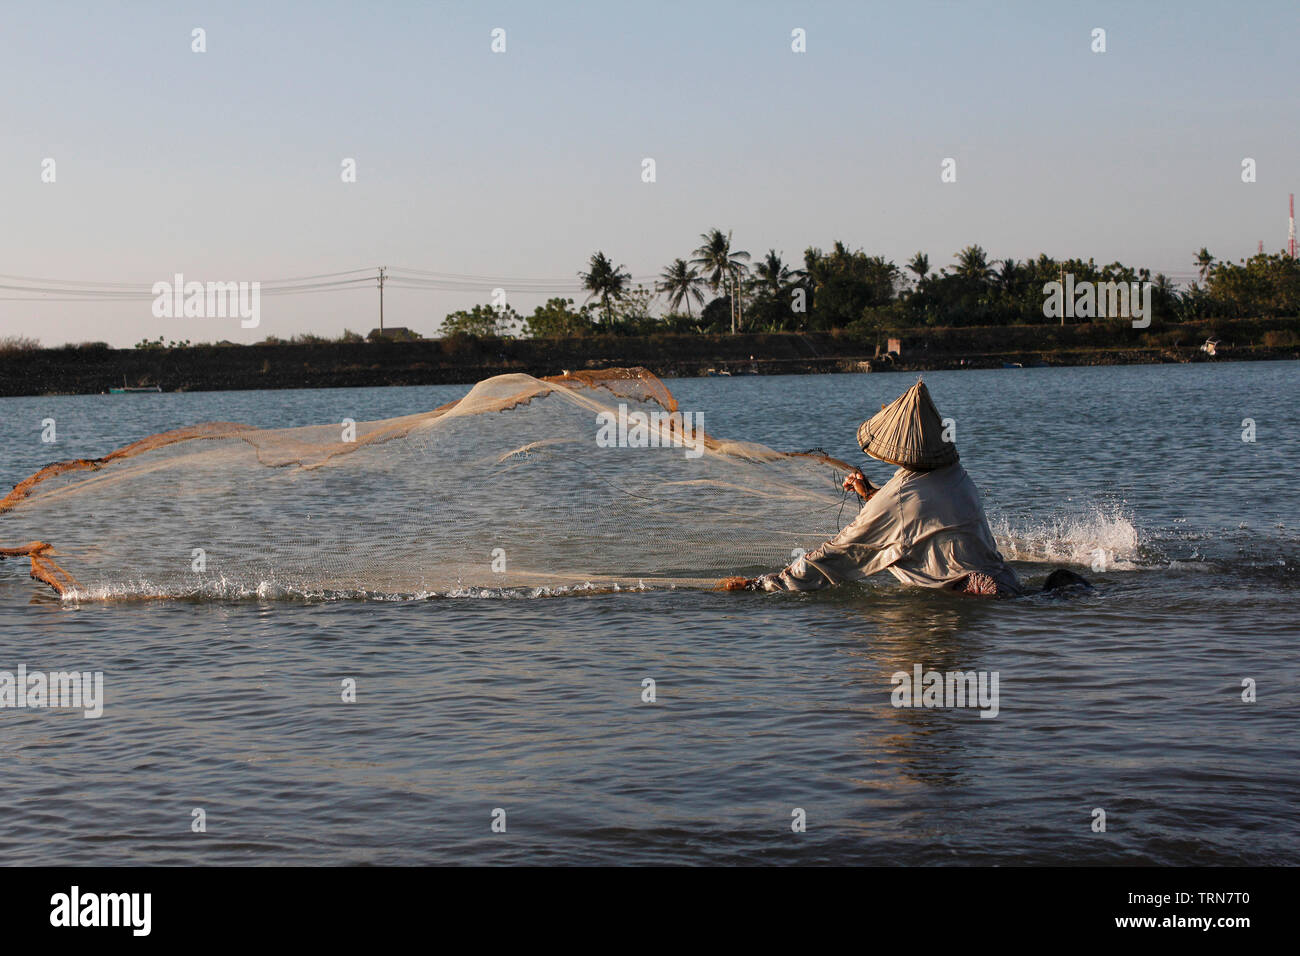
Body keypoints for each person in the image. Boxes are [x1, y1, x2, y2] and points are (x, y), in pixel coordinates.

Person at [719, 379, 1029, 597]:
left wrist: (760, 585)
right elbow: (919, 514)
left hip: (971, 597)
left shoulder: (900, 498)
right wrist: (869, 493)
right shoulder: (956, 475)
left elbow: (835, 552)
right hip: (1005, 587)